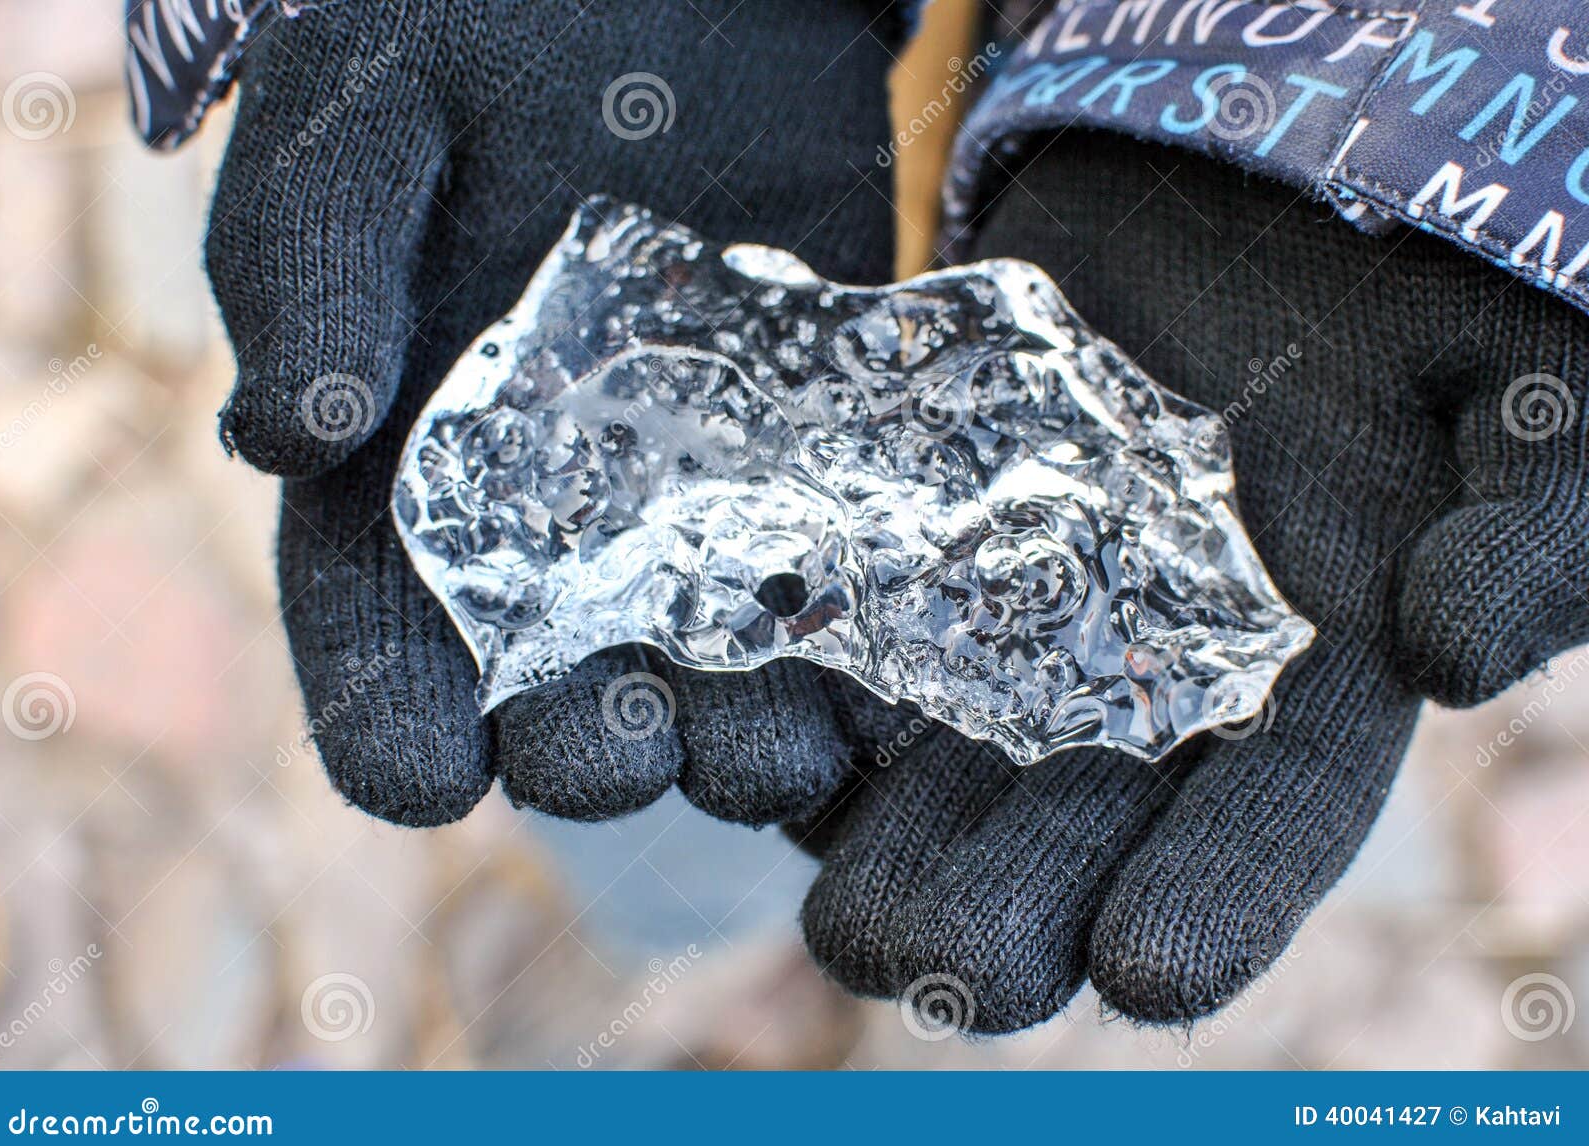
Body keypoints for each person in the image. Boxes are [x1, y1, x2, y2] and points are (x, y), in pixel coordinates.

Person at [130, 0, 1589, 1033]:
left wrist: (1438, 83)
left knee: (765, 732)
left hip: (1125, 89)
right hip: (761, 162)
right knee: (648, 743)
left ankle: (696, 919)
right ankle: (690, 925)